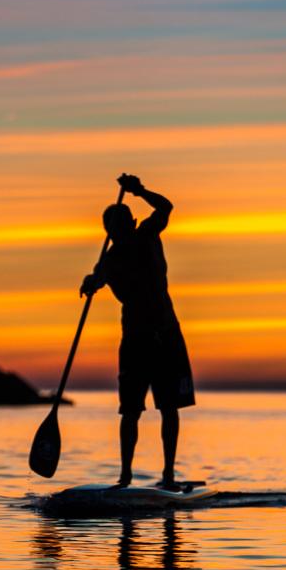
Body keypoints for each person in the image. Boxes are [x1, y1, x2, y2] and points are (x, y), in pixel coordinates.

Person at [80, 174, 194, 490]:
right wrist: (90, 283)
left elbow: (167, 206)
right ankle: (125, 476)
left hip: (166, 334)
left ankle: (168, 474)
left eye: (124, 223)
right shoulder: (110, 260)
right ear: (110, 232)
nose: (120, 230)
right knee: (130, 411)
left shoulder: (147, 234)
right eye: (114, 228)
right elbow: (96, 280)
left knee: (169, 408)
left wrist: (140, 191)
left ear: (131, 222)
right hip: (135, 341)